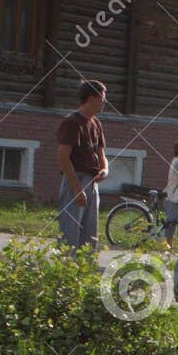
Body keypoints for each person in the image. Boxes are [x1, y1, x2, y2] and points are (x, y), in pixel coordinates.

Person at [55, 80, 109, 249]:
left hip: (92, 182)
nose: (105, 102)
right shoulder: (72, 122)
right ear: (92, 98)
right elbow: (64, 157)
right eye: (103, 98)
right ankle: (65, 269)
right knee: (70, 233)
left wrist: (105, 169)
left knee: (89, 233)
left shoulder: (96, 123)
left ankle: (84, 269)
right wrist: (77, 189)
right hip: (75, 180)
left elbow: (102, 154)